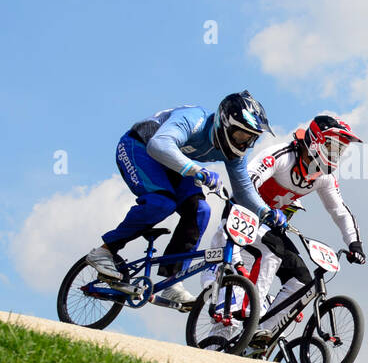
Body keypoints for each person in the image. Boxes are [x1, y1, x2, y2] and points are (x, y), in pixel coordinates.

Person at [84, 91, 286, 305]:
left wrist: (266, 212)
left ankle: (172, 281)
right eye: (241, 135)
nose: (244, 143)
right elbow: (158, 144)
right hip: (139, 147)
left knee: (201, 211)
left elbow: (243, 190)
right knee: (161, 203)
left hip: (170, 162)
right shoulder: (194, 119)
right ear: (225, 123)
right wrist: (196, 169)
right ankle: (104, 251)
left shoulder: (236, 154)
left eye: (250, 138)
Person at [207, 115, 365, 322]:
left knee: (302, 281)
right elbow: (245, 183)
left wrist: (354, 243)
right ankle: (250, 313)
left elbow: (340, 211)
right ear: (316, 141)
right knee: (274, 249)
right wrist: (264, 210)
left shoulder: (324, 178)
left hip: (268, 227)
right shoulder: (282, 156)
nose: (335, 155)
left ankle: (263, 332)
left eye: (339, 150)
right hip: (241, 216)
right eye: (331, 147)